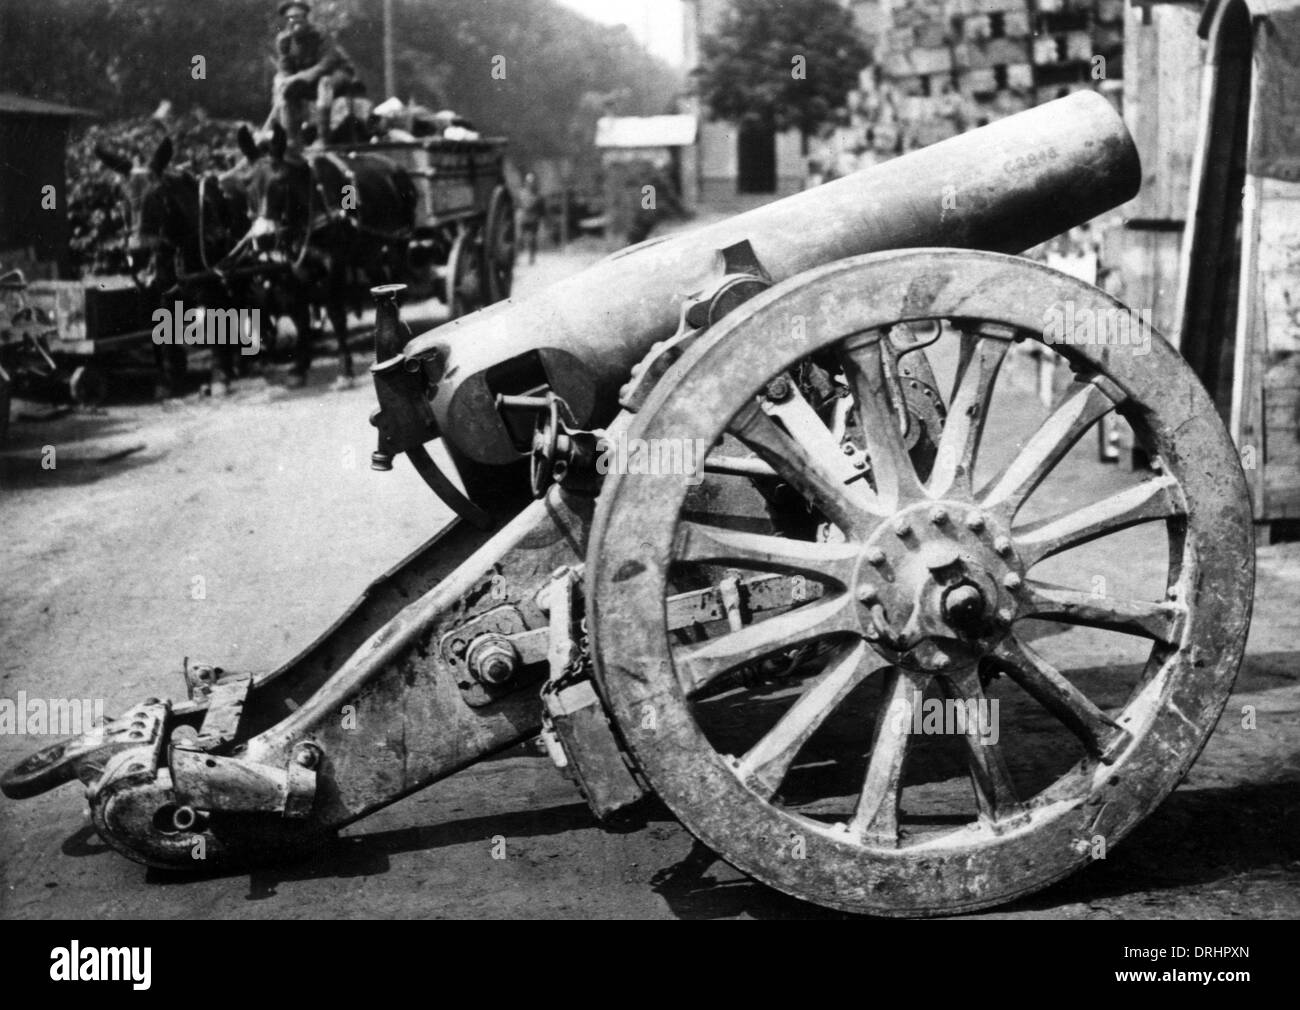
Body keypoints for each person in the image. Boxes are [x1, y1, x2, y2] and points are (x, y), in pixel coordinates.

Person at [268, 1, 356, 151]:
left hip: (338, 74)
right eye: (290, 18)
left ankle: (323, 139)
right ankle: (293, 140)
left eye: (299, 16)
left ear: (306, 17)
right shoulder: (284, 40)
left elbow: (327, 64)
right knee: (288, 91)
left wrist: (298, 77)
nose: (294, 20)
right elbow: (286, 69)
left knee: (325, 83)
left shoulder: (321, 34)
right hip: (310, 80)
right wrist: (283, 81)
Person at [518, 172, 545, 265]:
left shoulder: (537, 194)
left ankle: (531, 257)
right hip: (525, 218)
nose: (531, 183)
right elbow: (519, 205)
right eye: (529, 181)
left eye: (532, 181)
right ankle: (519, 256)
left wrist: (541, 217)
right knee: (521, 237)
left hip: (532, 219)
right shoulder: (523, 193)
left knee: (532, 238)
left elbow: (541, 208)